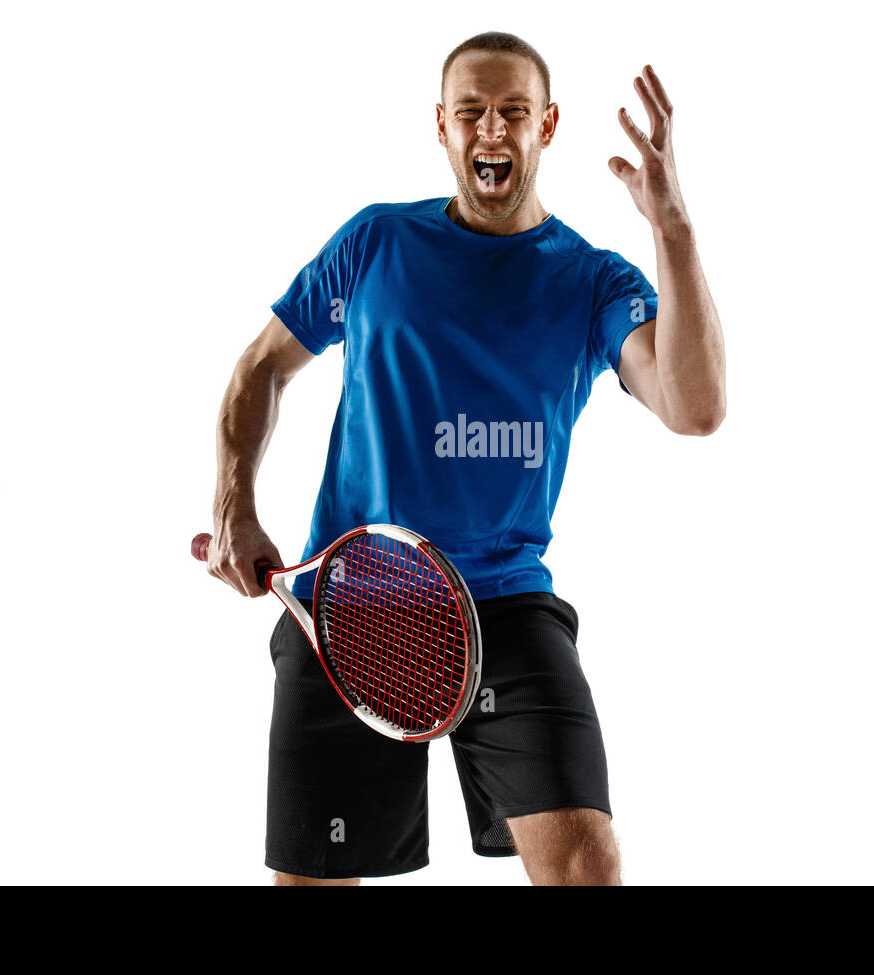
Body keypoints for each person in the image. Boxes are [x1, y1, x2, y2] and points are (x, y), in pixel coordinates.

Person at [204, 31, 726, 886]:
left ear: (546, 126)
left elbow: (695, 406)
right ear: (440, 128)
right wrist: (235, 504)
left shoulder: (594, 281)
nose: (493, 130)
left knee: (587, 865)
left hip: (507, 608)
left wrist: (672, 225)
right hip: (355, 600)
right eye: (472, 112)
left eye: (513, 112)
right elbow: (261, 367)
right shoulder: (375, 245)